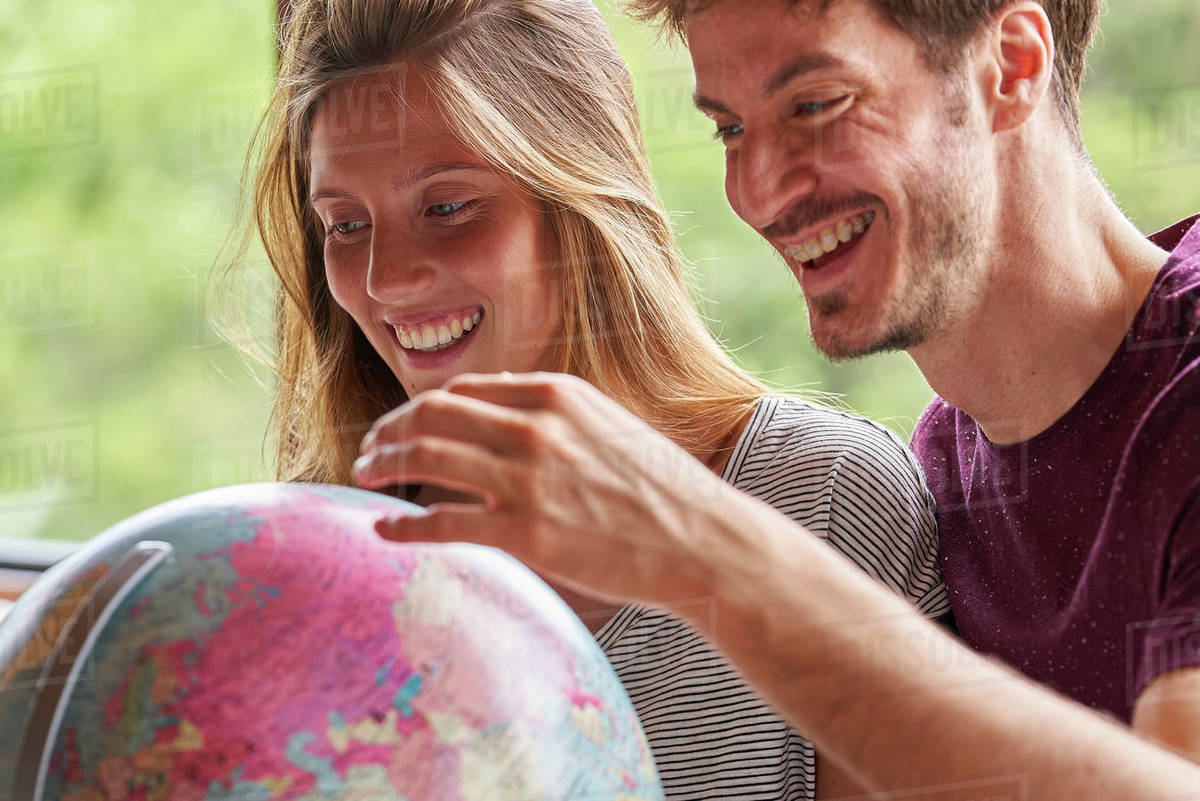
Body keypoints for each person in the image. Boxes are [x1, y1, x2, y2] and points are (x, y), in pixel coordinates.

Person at [355, 0, 1200, 798]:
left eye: (817, 105)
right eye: (729, 127)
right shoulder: (947, 470)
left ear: (1010, 67)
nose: (758, 189)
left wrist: (692, 539)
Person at [233, 1, 952, 798]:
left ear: (576, 200)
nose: (385, 280)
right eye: (345, 225)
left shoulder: (828, 499)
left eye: (446, 207)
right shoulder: (320, 545)